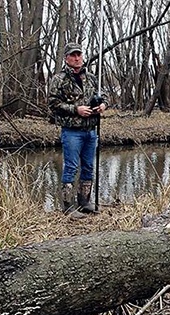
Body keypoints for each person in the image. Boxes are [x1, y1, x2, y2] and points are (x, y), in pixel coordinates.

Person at [48, 42, 108, 219]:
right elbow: (53, 103)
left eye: (79, 55)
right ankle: (68, 207)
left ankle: (84, 203)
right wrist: (76, 109)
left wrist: (102, 105)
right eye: (73, 55)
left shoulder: (91, 78)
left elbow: (104, 96)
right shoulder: (59, 79)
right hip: (72, 131)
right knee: (71, 167)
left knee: (88, 167)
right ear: (66, 58)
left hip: (91, 130)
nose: (77, 58)